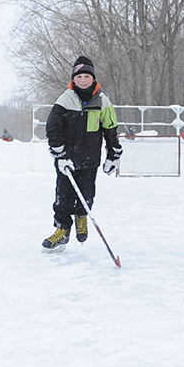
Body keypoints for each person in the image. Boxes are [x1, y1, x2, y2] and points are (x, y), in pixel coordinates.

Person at [42, 56, 122, 251]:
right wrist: (60, 154)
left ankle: (81, 217)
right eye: (79, 77)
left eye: (87, 76)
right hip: (67, 161)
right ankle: (62, 229)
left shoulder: (102, 101)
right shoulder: (65, 99)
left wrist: (113, 154)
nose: (83, 80)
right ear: (73, 79)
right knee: (63, 197)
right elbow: (53, 128)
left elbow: (110, 130)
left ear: (93, 78)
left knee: (86, 195)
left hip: (89, 159)